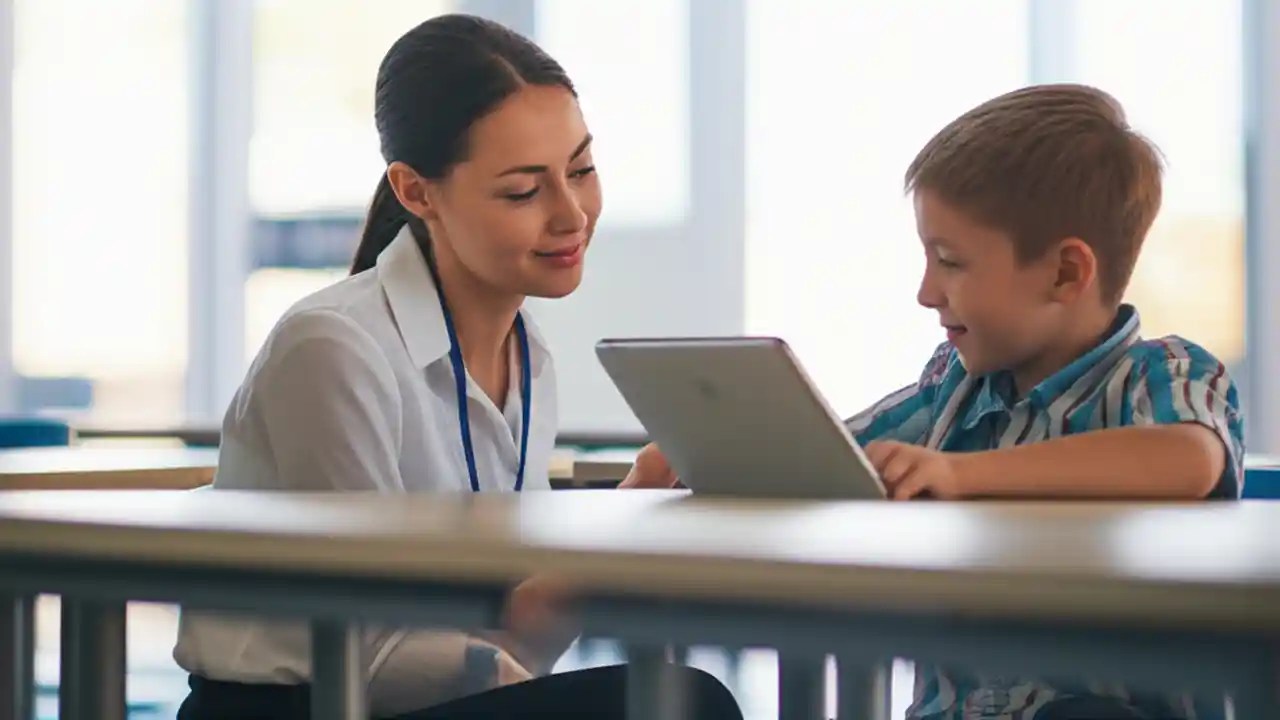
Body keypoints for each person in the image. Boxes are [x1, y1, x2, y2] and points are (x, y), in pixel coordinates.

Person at [173, 14, 741, 720]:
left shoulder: (527, 357)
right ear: (416, 192)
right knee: (677, 702)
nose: (572, 215)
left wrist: (635, 522)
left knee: (672, 697)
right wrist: (610, 547)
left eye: (582, 170)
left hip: (409, 702)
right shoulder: (333, 350)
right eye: (523, 191)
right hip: (300, 707)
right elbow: (371, 659)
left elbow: (508, 647)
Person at [627, 84, 1244, 719]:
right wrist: (696, 454)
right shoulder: (954, 387)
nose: (926, 292)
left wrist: (962, 472)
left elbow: (1186, 459)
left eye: (950, 262)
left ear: (1065, 273)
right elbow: (828, 455)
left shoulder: (1165, 373)